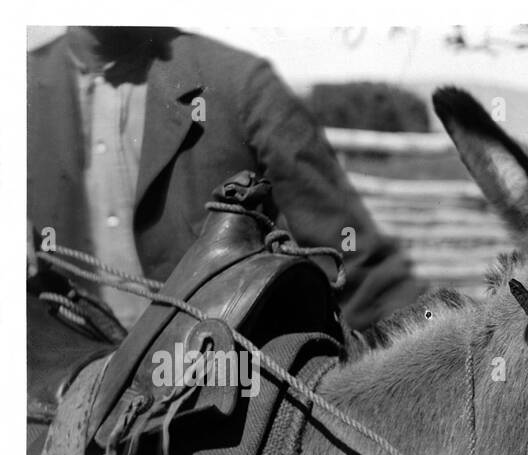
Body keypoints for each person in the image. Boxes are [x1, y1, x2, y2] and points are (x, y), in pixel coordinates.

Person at [27, 26, 423, 336]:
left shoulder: (242, 86)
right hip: (58, 398)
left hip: (216, 401)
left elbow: (358, 266)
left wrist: (440, 345)